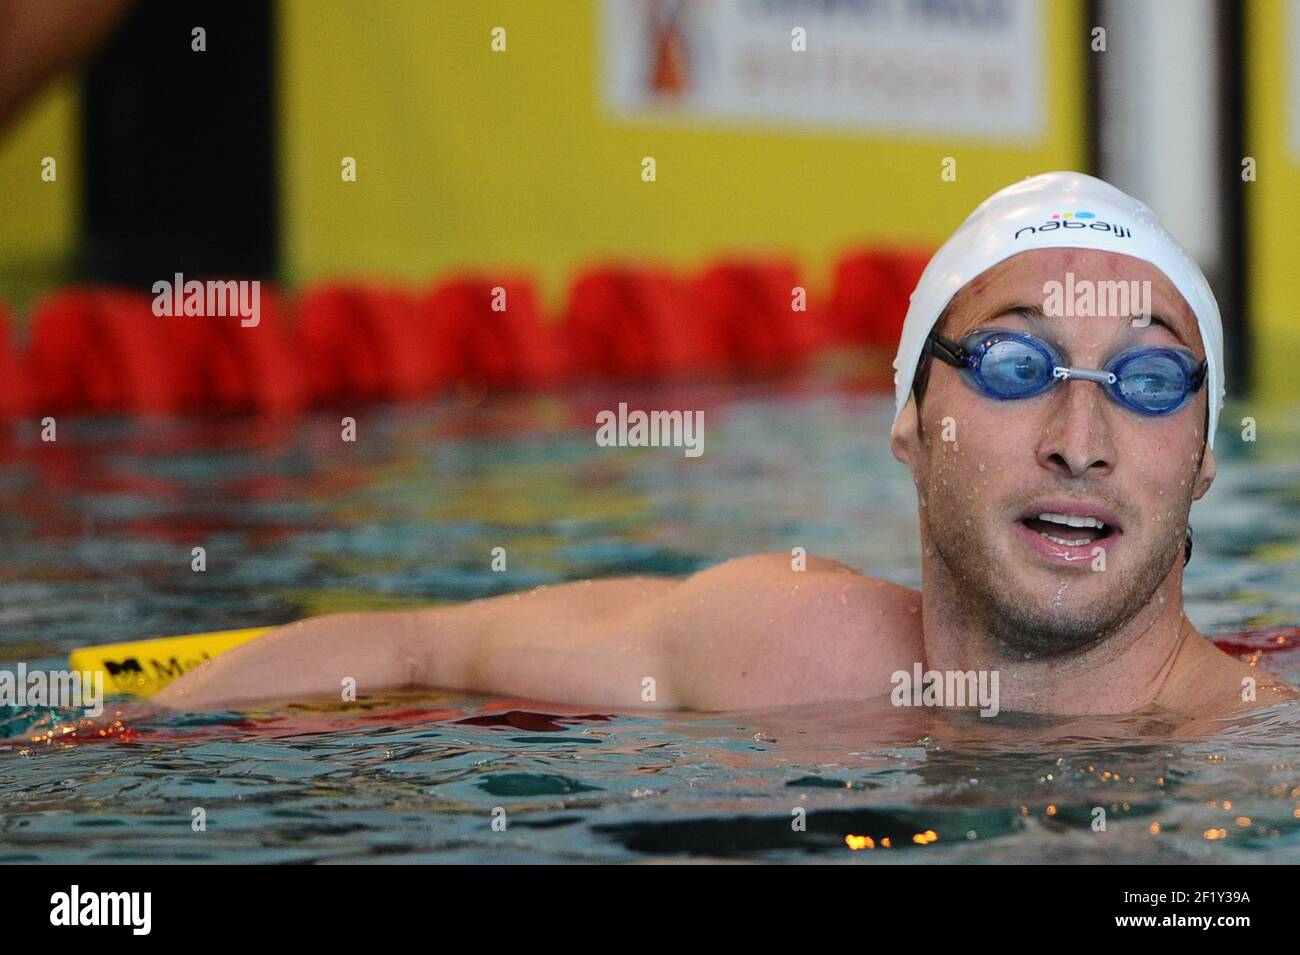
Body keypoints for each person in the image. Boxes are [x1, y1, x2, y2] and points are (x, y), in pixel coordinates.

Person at [153, 172, 1297, 718]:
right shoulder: (784, 649)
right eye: (1012, 366)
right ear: (909, 420)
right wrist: (111, 744)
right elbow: (408, 641)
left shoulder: (1256, 771)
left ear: (1202, 461)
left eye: (1147, 380)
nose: (1080, 439)